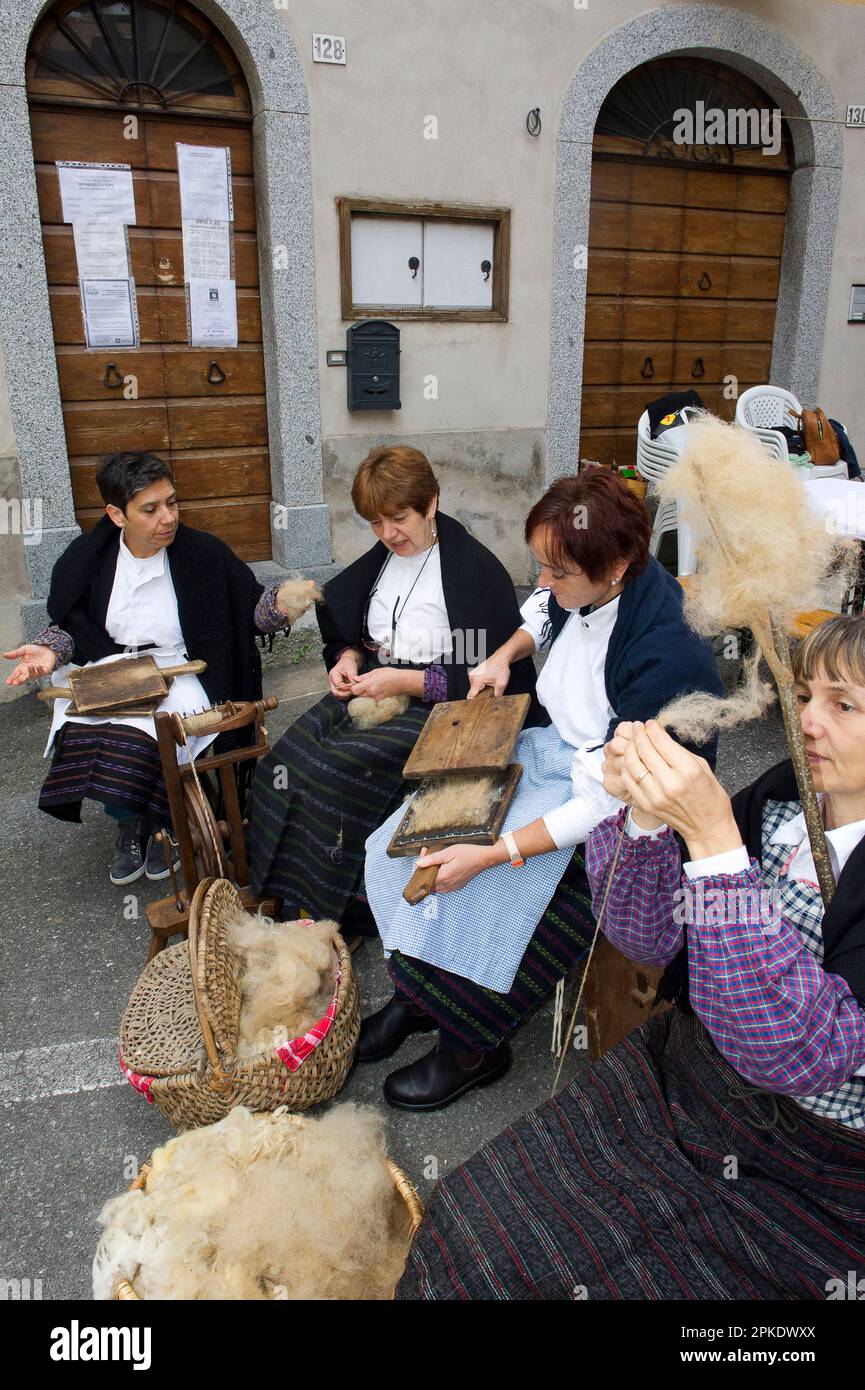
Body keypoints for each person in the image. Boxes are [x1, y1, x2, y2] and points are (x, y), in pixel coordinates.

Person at [394, 613, 865, 1301]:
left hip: (813, 1160)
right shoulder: (781, 802)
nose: (810, 722)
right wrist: (644, 817)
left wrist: (711, 840)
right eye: (803, 697)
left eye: (842, 704)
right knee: (473, 1217)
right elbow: (648, 939)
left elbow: (796, 1055)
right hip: (688, 1077)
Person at [360, 470, 724, 1111]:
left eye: (556, 572)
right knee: (391, 845)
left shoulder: (667, 654)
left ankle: (472, 1043)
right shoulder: (583, 581)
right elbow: (541, 610)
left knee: (477, 883)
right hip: (557, 752)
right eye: (541, 567)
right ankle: (416, 996)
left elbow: (616, 800)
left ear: (616, 563)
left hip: (622, 812)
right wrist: (504, 654)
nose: (543, 584)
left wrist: (497, 851)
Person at [248, 445, 538, 934]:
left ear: (432, 503)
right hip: (377, 691)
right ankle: (293, 889)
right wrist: (349, 658)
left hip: (447, 710)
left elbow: (485, 675)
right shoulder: (381, 561)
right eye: (376, 523)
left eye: (399, 519)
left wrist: (402, 679)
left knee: (332, 771)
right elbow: (355, 628)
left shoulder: (474, 571)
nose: (387, 534)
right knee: (283, 761)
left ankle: (347, 909)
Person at [4, 452, 305, 886]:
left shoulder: (203, 554)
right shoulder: (88, 559)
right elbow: (72, 625)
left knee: (148, 734)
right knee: (86, 731)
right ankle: (131, 824)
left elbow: (250, 609)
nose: (167, 517)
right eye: (150, 509)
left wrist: (283, 602)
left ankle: (165, 824)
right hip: (110, 667)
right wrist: (51, 651)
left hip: (180, 671)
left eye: (172, 503)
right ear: (116, 514)